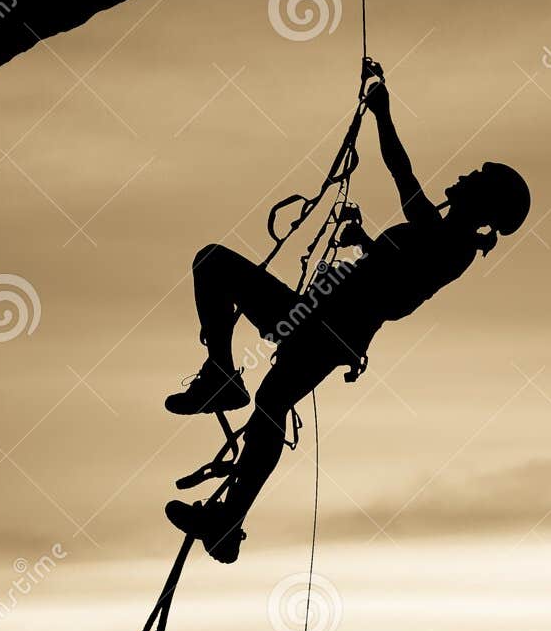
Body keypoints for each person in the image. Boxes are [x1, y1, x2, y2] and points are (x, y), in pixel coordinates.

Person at [164, 75, 531, 562]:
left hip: (327, 327)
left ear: (484, 203)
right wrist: (365, 241)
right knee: (270, 401)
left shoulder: (452, 242)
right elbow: (396, 275)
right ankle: (228, 513)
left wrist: (381, 112)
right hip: (326, 324)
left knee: (215, 268)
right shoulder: (445, 241)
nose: (464, 178)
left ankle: (223, 388)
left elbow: (403, 178)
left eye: (476, 179)